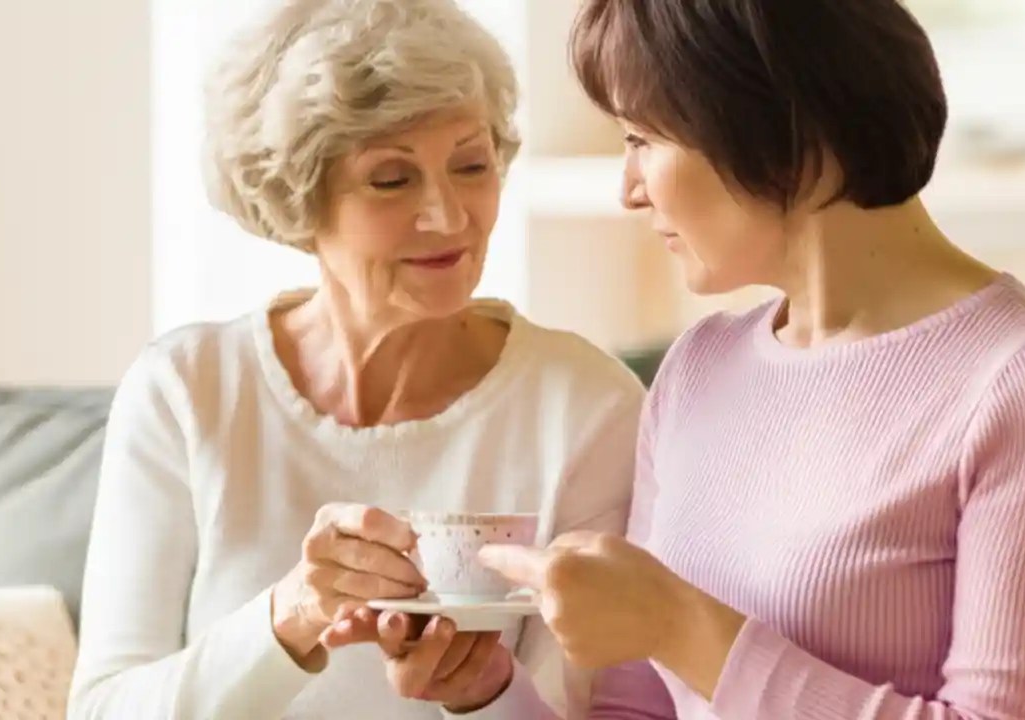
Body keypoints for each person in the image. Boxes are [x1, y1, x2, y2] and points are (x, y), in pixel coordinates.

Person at [473, 1, 1025, 718]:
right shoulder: (699, 368)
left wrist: (683, 628)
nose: (629, 189)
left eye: (642, 139)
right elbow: (636, 712)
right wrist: (487, 692)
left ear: (772, 126)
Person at [66, 0, 645, 718]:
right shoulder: (186, 391)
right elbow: (103, 709)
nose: (450, 216)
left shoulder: (587, 407)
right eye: (391, 180)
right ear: (300, 196)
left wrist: (484, 693)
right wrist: (292, 616)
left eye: (471, 165)